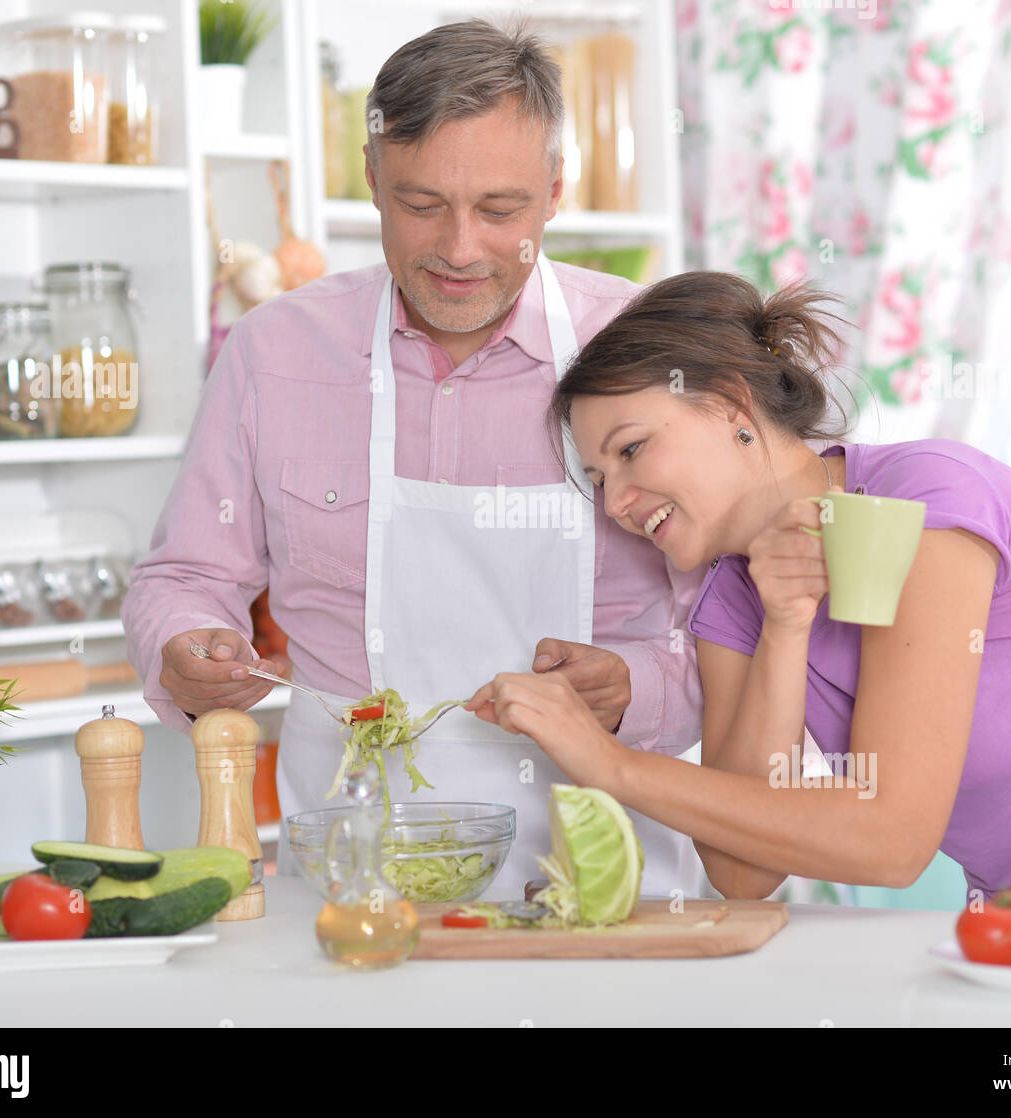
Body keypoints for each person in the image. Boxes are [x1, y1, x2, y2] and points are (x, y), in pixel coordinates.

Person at [120, 20, 708, 896]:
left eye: (501, 210)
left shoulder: (651, 352)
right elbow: (181, 576)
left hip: (606, 881)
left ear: (555, 191)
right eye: (422, 204)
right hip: (352, 881)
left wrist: (636, 688)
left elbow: (743, 632)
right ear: (372, 181)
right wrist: (184, 646)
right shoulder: (276, 351)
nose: (460, 249)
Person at [465, 270, 1011, 900]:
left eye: (630, 450)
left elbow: (894, 839)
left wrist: (610, 766)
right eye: (598, 477)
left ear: (731, 408)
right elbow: (742, 875)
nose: (615, 501)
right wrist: (784, 626)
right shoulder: (731, 601)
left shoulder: (923, 502)